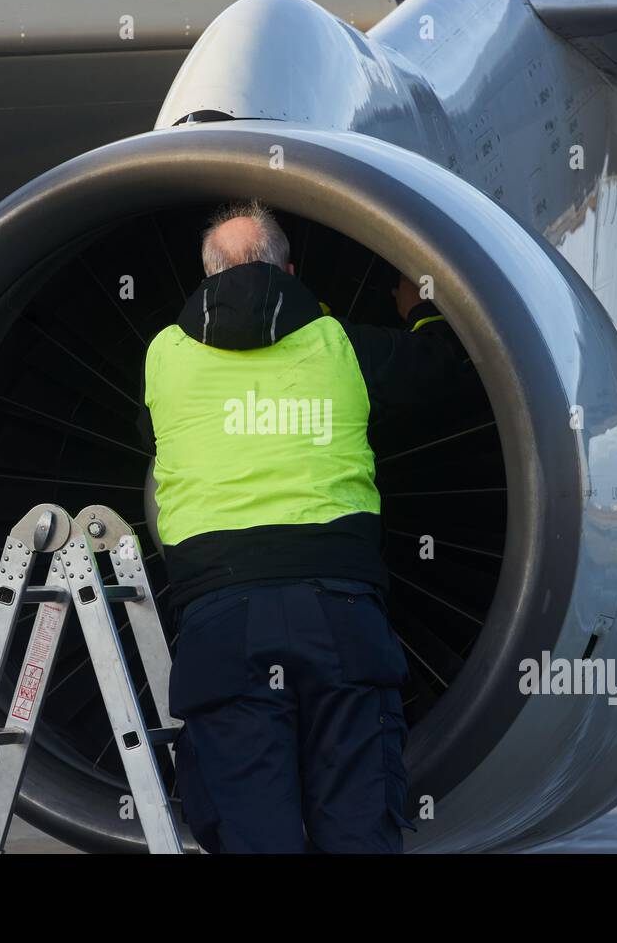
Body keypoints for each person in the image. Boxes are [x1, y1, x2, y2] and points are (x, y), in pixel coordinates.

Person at [136, 199, 472, 853]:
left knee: (251, 831)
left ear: (205, 278)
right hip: (339, 617)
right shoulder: (342, 345)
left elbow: (151, 438)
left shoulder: (161, 359)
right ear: (289, 270)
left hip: (224, 623)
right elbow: (448, 371)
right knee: (358, 823)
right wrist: (419, 308)